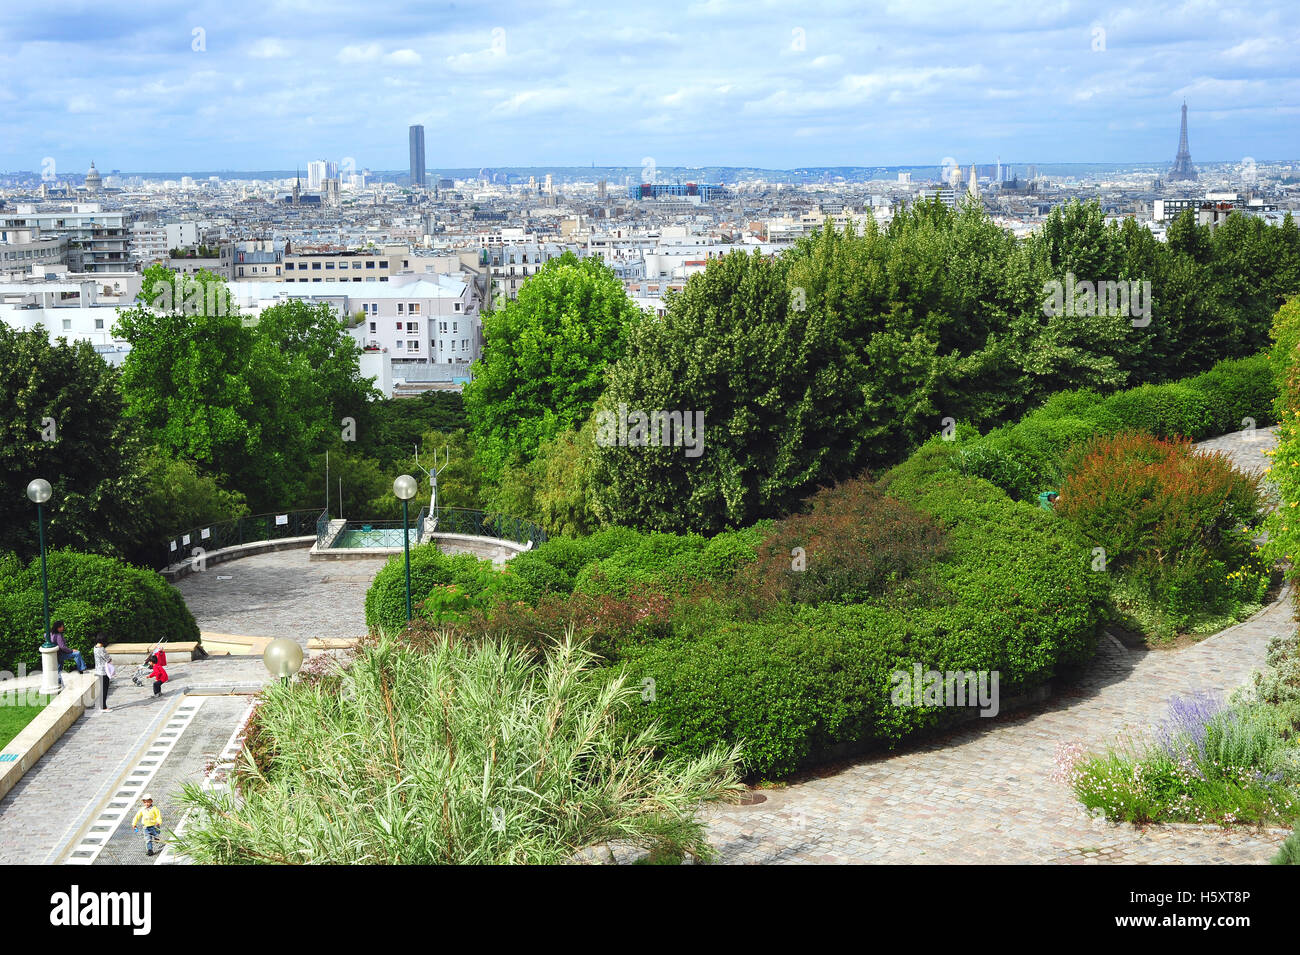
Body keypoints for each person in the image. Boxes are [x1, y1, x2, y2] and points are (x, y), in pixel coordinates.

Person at [92, 636, 113, 712]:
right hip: (103, 672)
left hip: (97, 671)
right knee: (104, 689)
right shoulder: (101, 649)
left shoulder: (95, 647)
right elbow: (108, 659)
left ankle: (101, 705)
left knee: (101, 689)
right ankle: (103, 707)